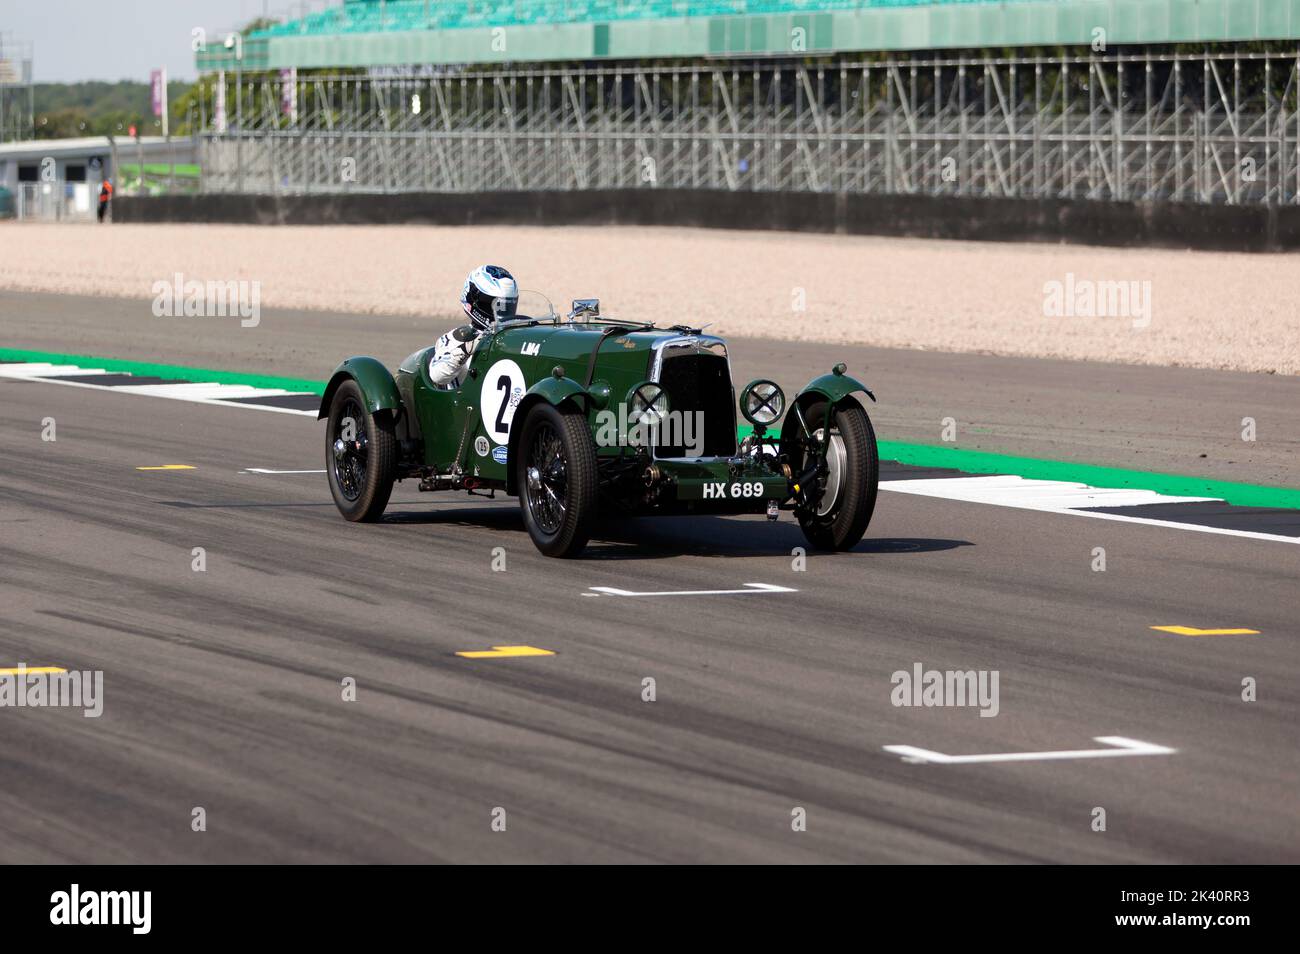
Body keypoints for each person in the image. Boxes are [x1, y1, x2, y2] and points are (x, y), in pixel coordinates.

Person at [428, 265, 518, 388]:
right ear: (474, 300)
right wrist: (465, 349)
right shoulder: (459, 338)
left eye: (506, 306)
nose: (502, 312)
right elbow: (437, 376)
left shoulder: (516, 335)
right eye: (496, 305)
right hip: (466, 403)